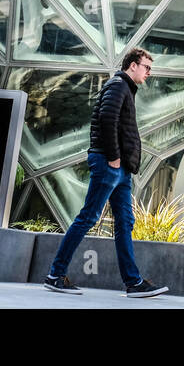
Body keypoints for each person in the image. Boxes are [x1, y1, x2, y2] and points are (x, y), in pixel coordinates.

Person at [43, 48, 168, 298]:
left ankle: (133, 282)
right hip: (109, 163)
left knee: (124, 223)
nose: (148, 72)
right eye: (146, 67)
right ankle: (55, 274)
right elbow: (106, 118)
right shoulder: (118, 85)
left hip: (121, 170)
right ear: (132, 65)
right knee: (88, 217)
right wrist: (113, 157)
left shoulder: (125, 89)